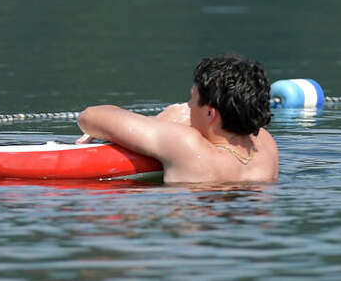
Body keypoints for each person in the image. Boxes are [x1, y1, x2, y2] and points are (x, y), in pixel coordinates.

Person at [76, 53, 279, 184]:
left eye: (191, 100)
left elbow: (89, 117)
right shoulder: (266, 144)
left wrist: (164, 119)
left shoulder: (187, 145)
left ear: (211, 114)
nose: (187, 107)